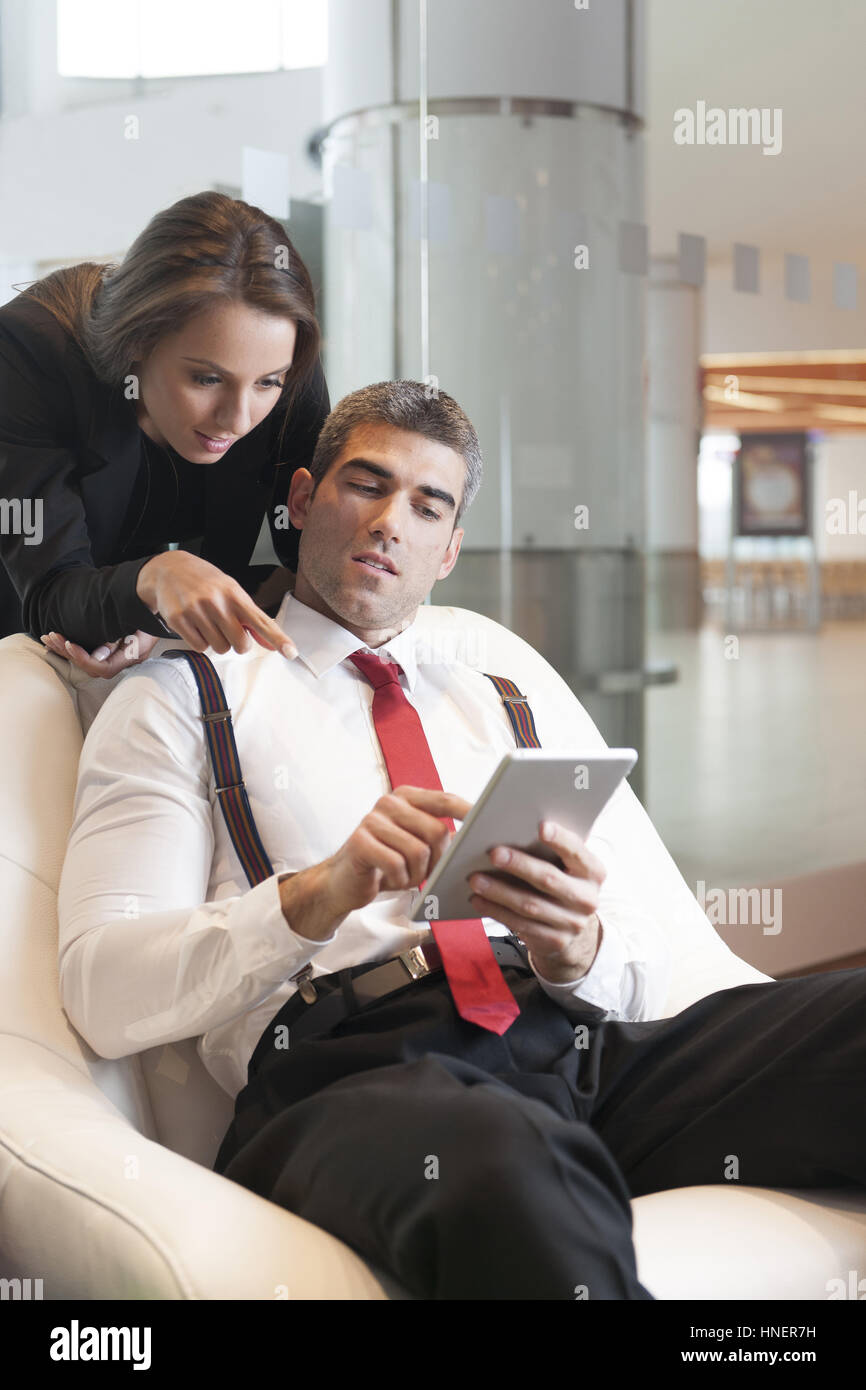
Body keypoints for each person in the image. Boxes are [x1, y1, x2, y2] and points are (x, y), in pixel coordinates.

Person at [57, 381, 865, 1301]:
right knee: (510, 1160)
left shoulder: (501, 694)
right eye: (366, 485)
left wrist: (578, 947)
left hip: (570, 1050)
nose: (390, 522)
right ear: (301, 498)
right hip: (352, 1074)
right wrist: (311, 896)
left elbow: (644, 966)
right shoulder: (182, 700)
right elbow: (102, 988)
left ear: (449, 552)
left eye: (427, 505)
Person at [0, 190, 329, 674]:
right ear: (139, 340)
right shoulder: (29, 353)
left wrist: (156, 624)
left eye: (267, 383)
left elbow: (315, 551)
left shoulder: (280, 362)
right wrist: (156, 578)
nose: (237, 420)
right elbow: (49, 591)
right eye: (207, 378)